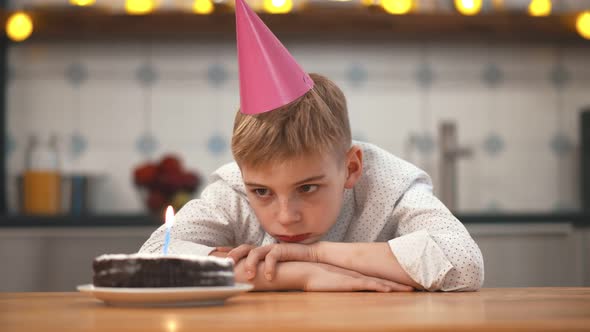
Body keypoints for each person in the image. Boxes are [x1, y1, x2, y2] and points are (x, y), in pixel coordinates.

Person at [138, 0, 484, 293]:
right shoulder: (234, 192)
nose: (286, 217)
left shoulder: (389, 183)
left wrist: (314, 254)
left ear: (351, 168)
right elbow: (148, 262)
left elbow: (464, 264)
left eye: (307, 187)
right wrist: (300, 275)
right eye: (262, 191)